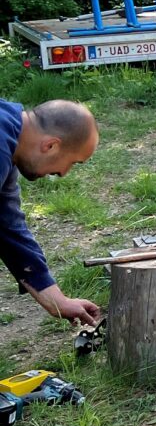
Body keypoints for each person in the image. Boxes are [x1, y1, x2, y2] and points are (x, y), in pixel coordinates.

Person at [1, 99, 102, 326]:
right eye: (73, 162)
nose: (64, 173)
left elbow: (9, 228)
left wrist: (58, 301)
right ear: (50, 146)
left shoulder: (8, 142)